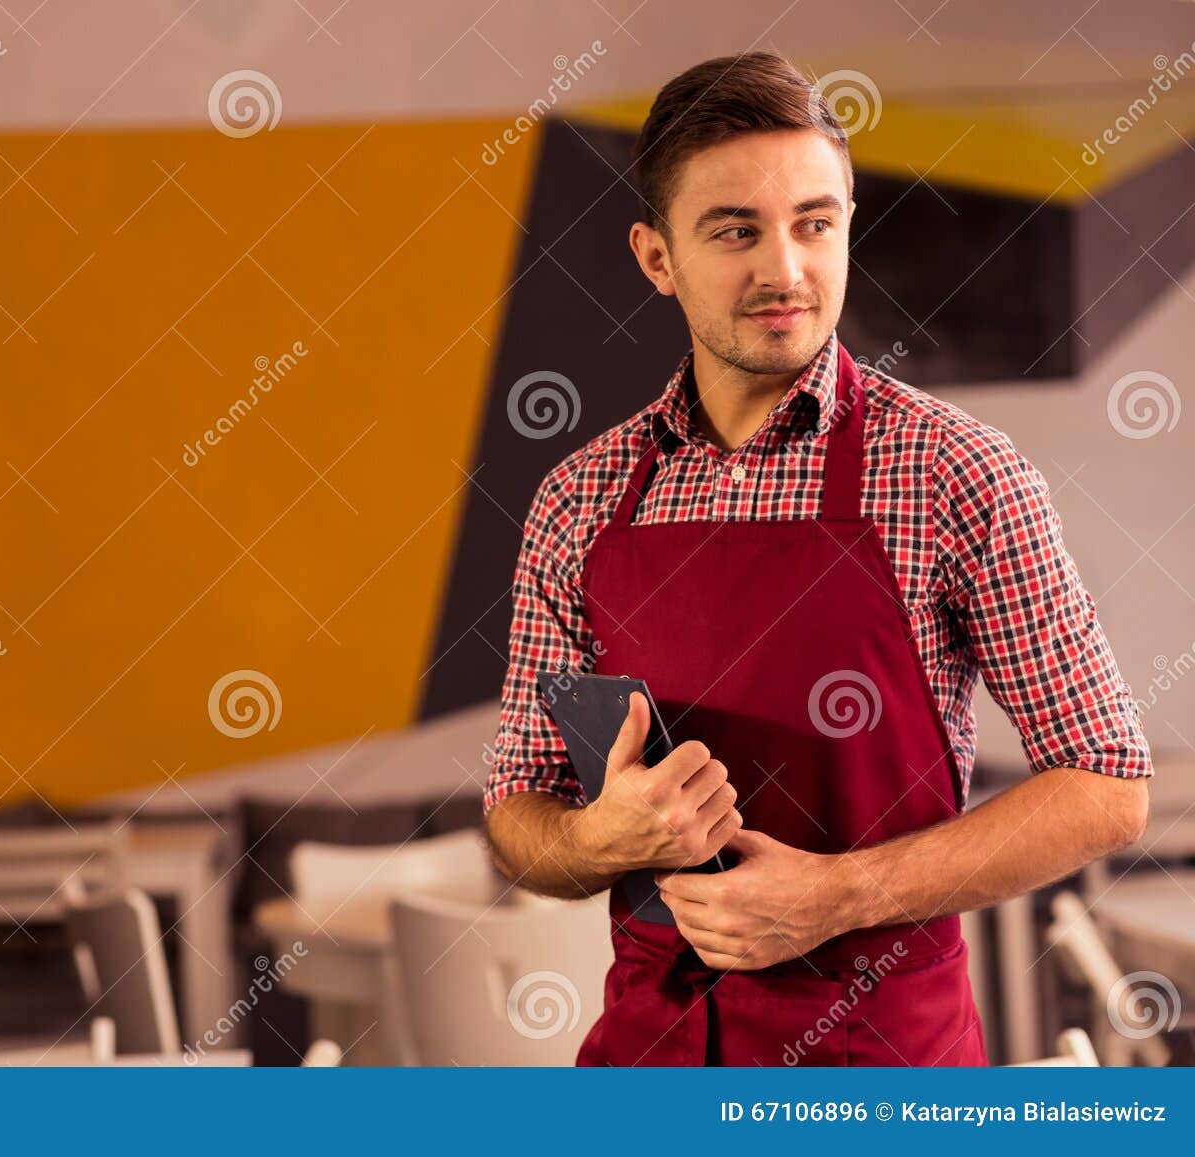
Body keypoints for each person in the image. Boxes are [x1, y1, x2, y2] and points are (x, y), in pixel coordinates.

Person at [482, 51, 1152, 1066]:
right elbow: (517, 804)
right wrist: (593, 841)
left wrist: (839, 894)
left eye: (813, 223)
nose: (784, 270)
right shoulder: (577, 501)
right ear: (655, 258)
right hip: (648, 1064)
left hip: (879, 1074)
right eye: (734, 231)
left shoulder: (954, 472)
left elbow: (1105, 781)